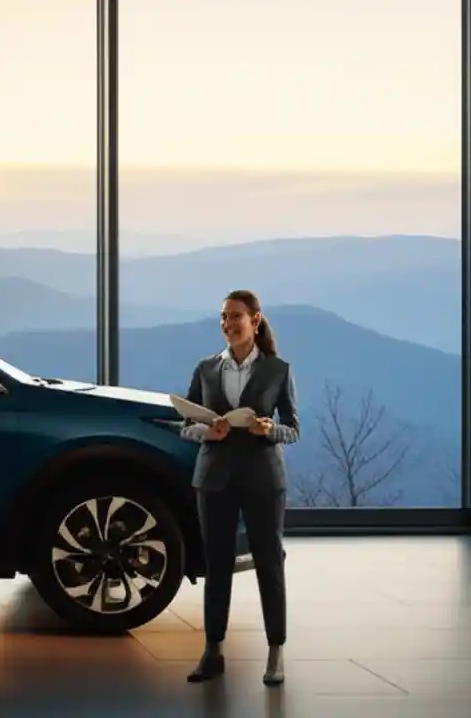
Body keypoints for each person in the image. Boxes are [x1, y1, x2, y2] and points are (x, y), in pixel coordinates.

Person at [180, 289, 299, 687]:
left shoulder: (278, 370)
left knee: (269, 563)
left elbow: (294, 429)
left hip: (264, 480)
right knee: (217, 567)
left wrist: (270, 429)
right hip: (213, 480)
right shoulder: (206, 368)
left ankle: (276, 649)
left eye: (235, 317)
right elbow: (185, 424)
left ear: (255, 320)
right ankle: (212, 650)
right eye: (223, 317)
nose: (228, 324)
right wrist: (206, 432)